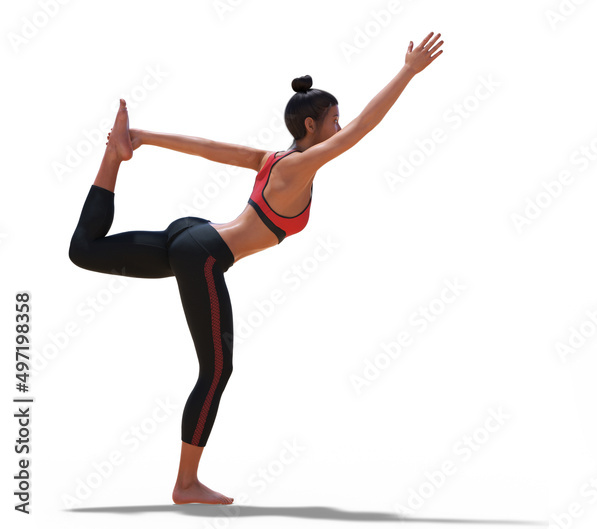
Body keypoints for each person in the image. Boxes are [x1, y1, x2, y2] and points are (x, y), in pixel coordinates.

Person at [68, 32, 444, 504]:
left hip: (195, 235)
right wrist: (407, 72)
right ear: (312, 125)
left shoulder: (275, 160)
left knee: (85, 251)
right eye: (333, 121)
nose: (339, 128)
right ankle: (186, 485)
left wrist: (141, 137)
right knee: (217, 368)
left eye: (339, 121)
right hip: (204, 254)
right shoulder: (298, 167)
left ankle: (112, 158)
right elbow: (364, 128)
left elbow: (208, 147)